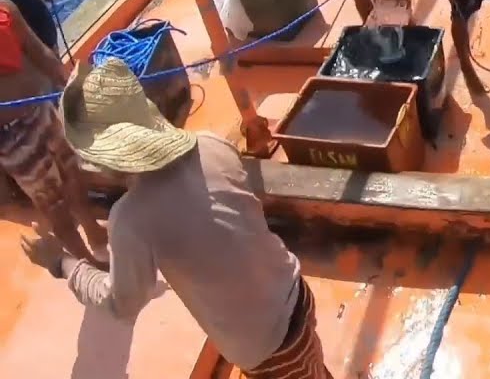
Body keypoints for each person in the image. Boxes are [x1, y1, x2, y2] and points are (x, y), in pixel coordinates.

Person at [21, 59, 332, 379]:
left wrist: (62, 264)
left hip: (267, 349)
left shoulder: (130, 219)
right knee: (310, 365)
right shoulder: (213, 145)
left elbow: (120, 305)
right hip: (295, 294)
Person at [0, 0, 106, 265]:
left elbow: (41, 53)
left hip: (42, 109)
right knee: (53, 205)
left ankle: (94, 231)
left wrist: (71, 82)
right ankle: (87, 263)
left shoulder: (5, 6)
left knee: (74, 174)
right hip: (12, 138)